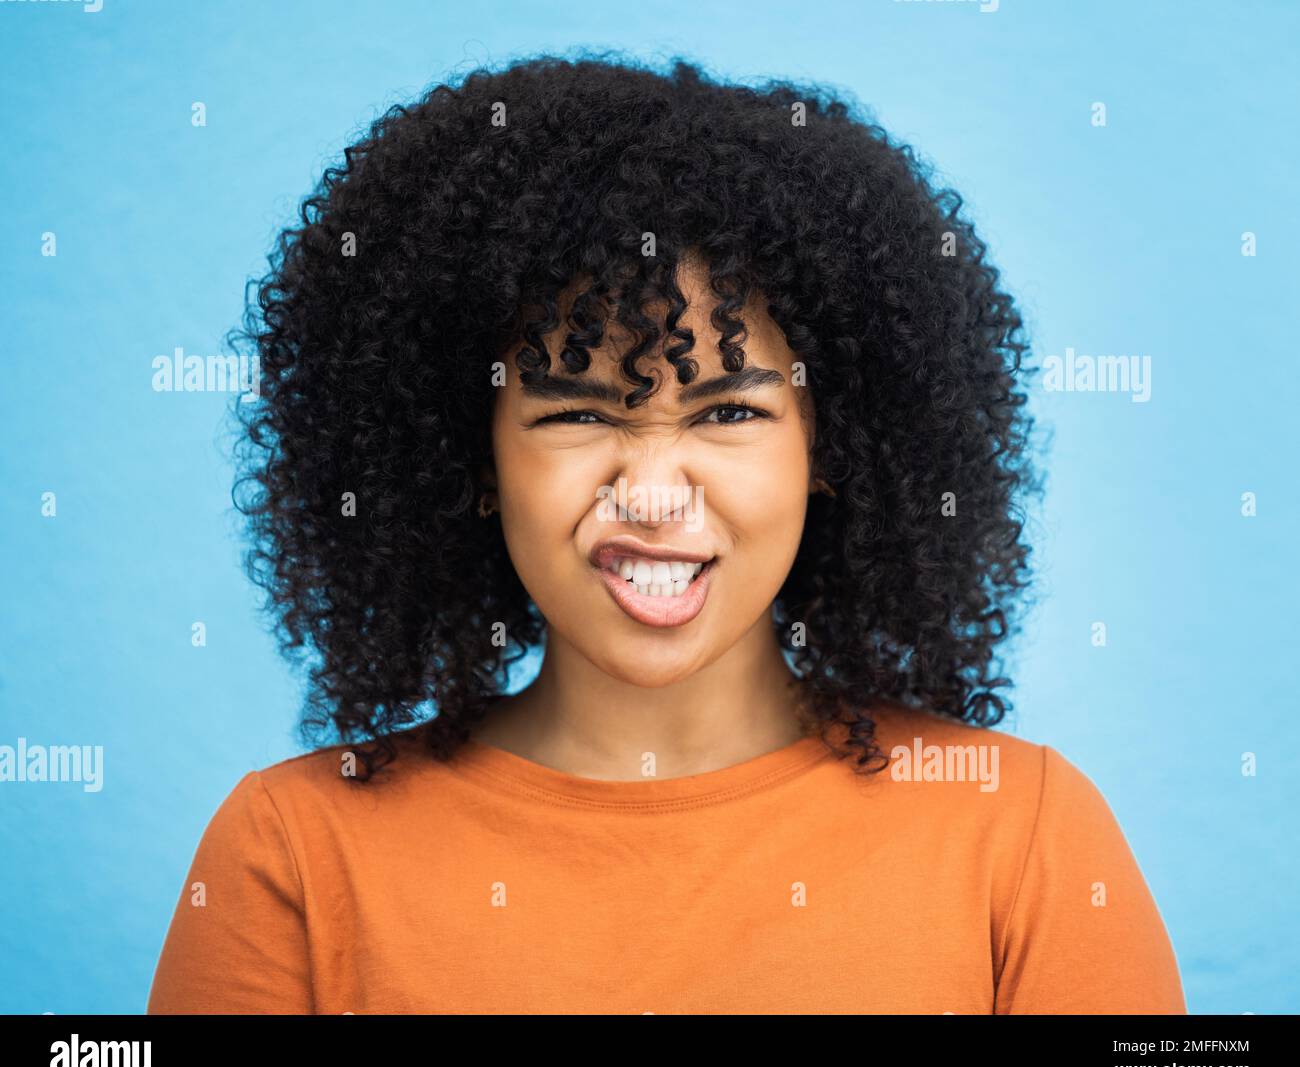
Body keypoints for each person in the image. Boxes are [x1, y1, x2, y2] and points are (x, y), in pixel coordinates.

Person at [146, 53, 1186, 1014]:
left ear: (833, 450)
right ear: (470, 457)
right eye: (576, 413)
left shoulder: (1022, 836)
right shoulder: (294, 855)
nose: (649, 495)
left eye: (729, 413)